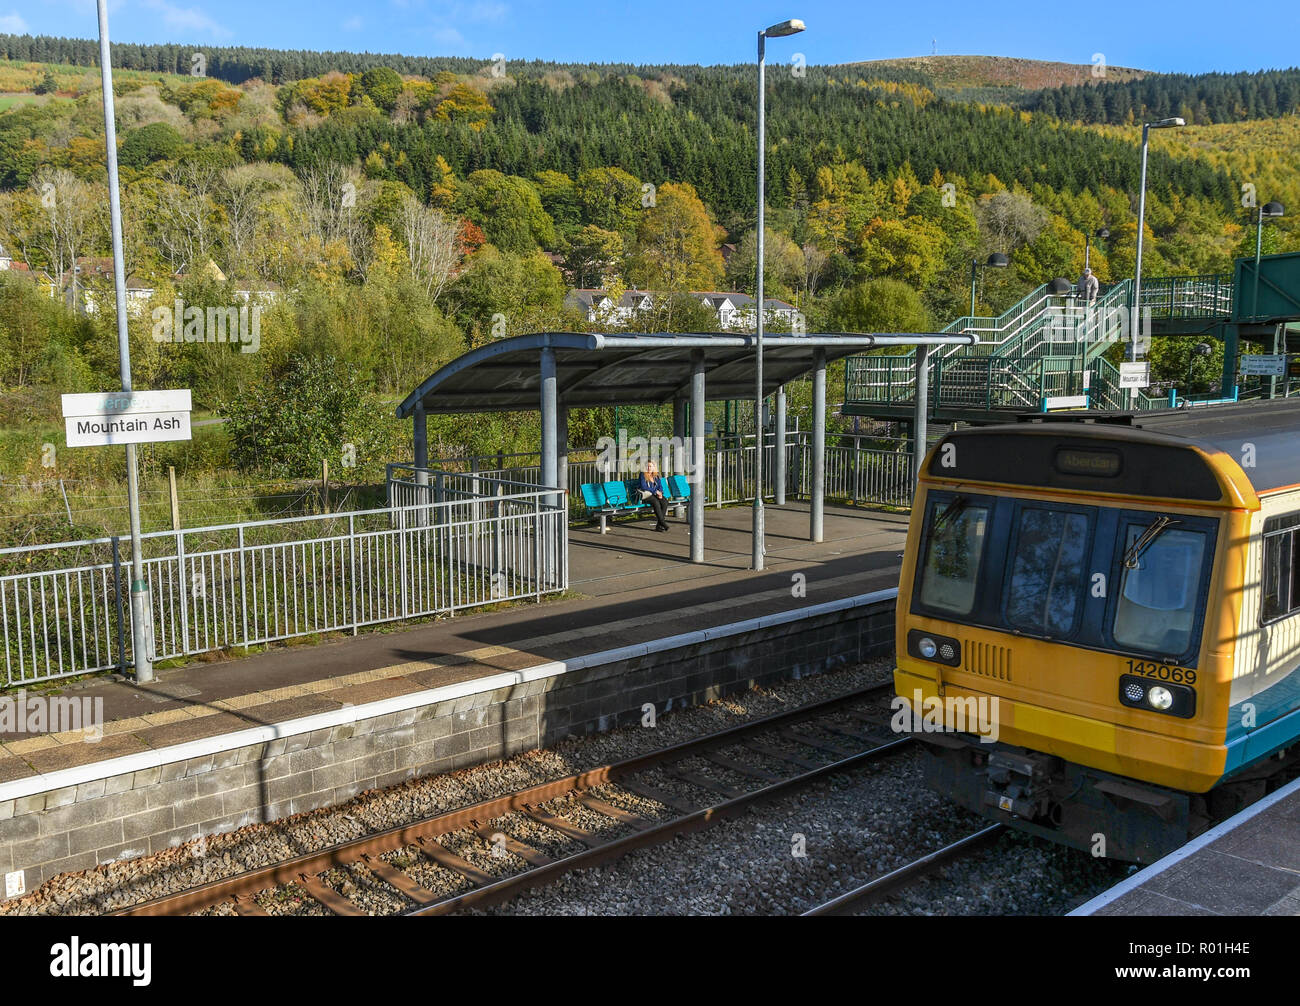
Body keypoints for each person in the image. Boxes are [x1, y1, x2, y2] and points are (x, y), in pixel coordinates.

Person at [637, 461, 670, 532]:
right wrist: (655, 491)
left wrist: (660, 492)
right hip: (645, 495)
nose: (649, 468)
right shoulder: (642, 474)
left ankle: (659, 525)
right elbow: (644, 487)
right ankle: (663, 523)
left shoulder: (656, 475)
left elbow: (660, 486)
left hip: (654, 495)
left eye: (650, 466)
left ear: (654, 467)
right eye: (647, 466)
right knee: (656, 502)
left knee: (664, 502)